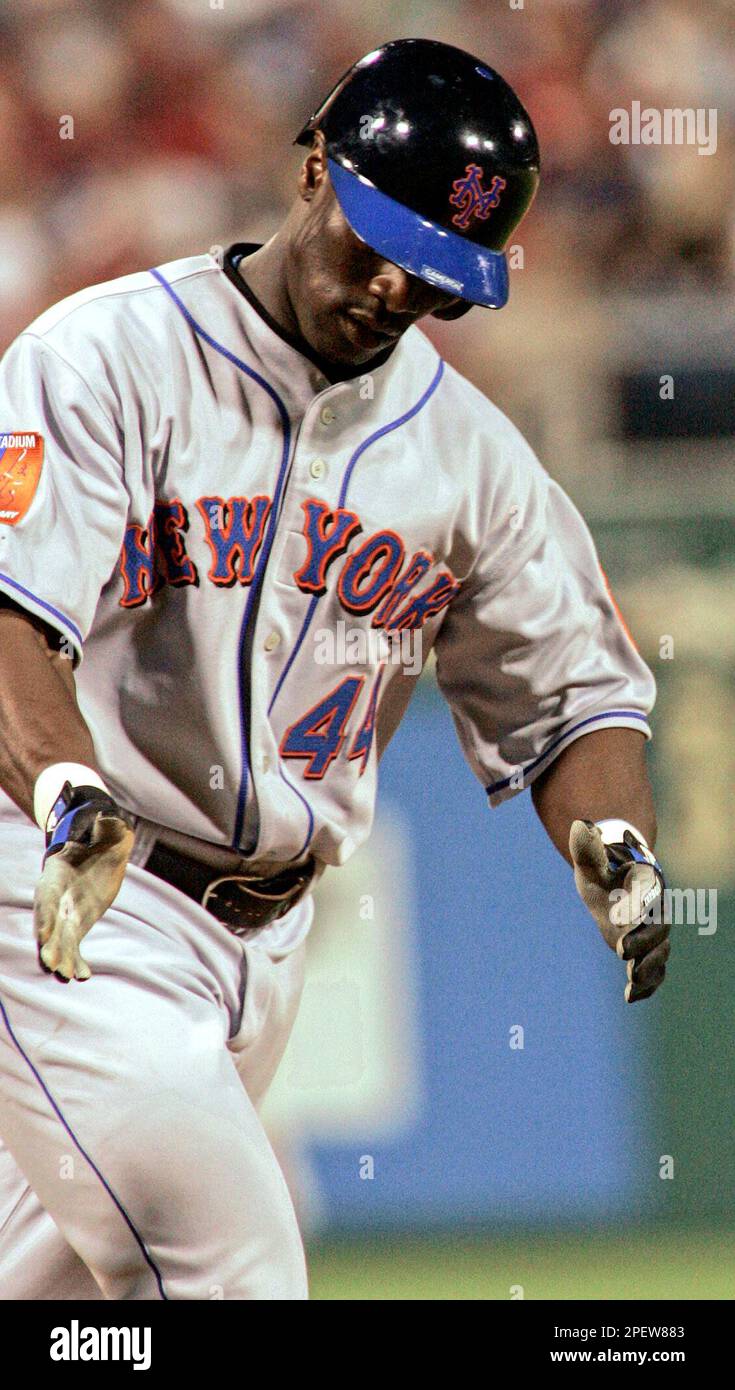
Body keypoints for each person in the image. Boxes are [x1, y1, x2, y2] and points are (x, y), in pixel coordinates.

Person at [0, 38, 669, 1301]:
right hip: (60, 897)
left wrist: (617, 843)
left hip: (265, 943)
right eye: (374, 241)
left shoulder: (469, 458)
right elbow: (6, 616)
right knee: (235, 1273)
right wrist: (62, 794)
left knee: (63, 1304)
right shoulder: (108, 356)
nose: (391, 289)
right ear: (314, 166)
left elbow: (578, 695)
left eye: (435, 278)